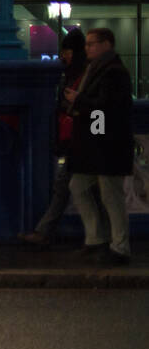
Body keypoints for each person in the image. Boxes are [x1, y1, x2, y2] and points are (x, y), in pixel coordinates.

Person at [63, 27, 133, 265]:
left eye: (92, 43)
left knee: (109, 195)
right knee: (83, 187)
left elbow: (106, 106)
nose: (88, 48)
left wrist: (77, 100)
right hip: (100, 144)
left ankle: (118, 246)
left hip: (106, 144)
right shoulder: (102, 69)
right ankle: (99, 239)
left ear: (107, 44)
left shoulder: (113, 72)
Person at [20, 28, 87, 246]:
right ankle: (102, 239)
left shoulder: (80, 75)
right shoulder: (75, 73)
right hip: (78, 141)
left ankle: (44, 233)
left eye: (68, 50)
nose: (64, 55)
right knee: (81, 190)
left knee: (66, 187)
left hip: (79, 140)